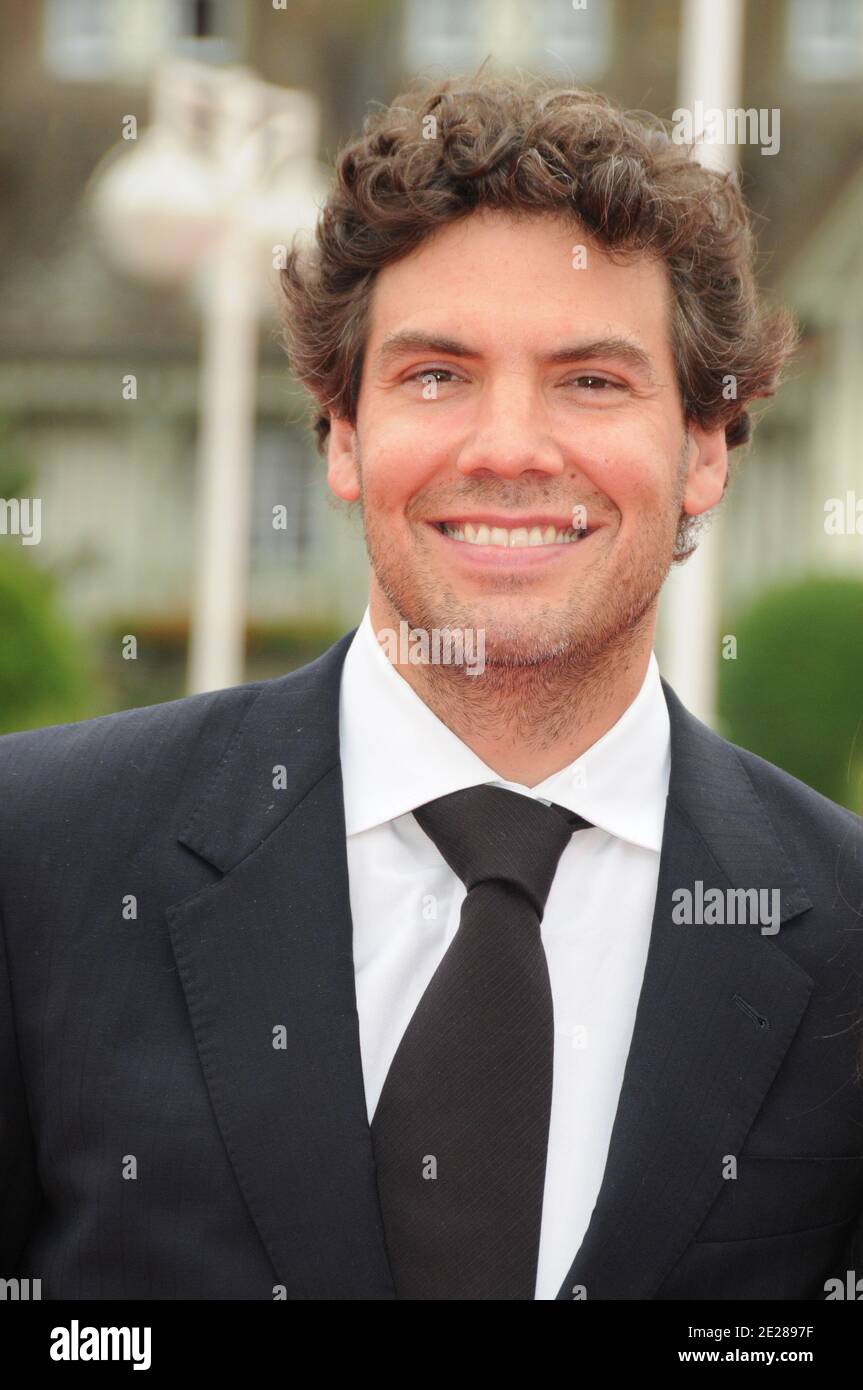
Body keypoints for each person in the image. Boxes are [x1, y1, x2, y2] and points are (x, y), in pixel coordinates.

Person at [1, 73, 862, 1302]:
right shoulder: (38, 857)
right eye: (436, 375)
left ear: (706, 446)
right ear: (342, 434)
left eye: (591, 380)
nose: (508, 447)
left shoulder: (841, 930)